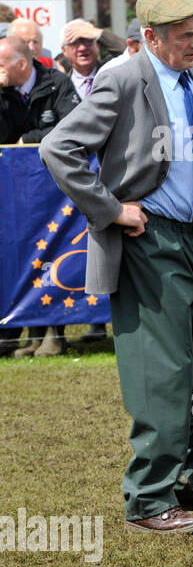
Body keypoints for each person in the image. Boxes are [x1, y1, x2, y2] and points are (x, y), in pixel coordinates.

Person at [39, 0, 193, 534]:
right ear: (150, 37)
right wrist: (111, 209)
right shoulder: (121, 79)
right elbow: (58, 148)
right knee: (164, 374)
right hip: (151, 244)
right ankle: (149, 500)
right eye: (186, 37)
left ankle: (192, 478)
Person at [0, 35, 81, 358]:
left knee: (51, 252)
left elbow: (73, 124)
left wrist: (29, 139)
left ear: (22, 64)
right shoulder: (4, 91)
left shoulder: (56, 84)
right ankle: (31, 335)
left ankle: (55, 334)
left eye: (1, 63)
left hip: (54, 188)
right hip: (14, 191)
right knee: (20, 256)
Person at [60, 19, 104, 100]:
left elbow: (130, 53)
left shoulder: (110, 74)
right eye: (75, 43)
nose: (82, 48)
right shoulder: (60, 87)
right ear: (64, 50)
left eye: (87, 40)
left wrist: (99, 33)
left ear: (97, 45)